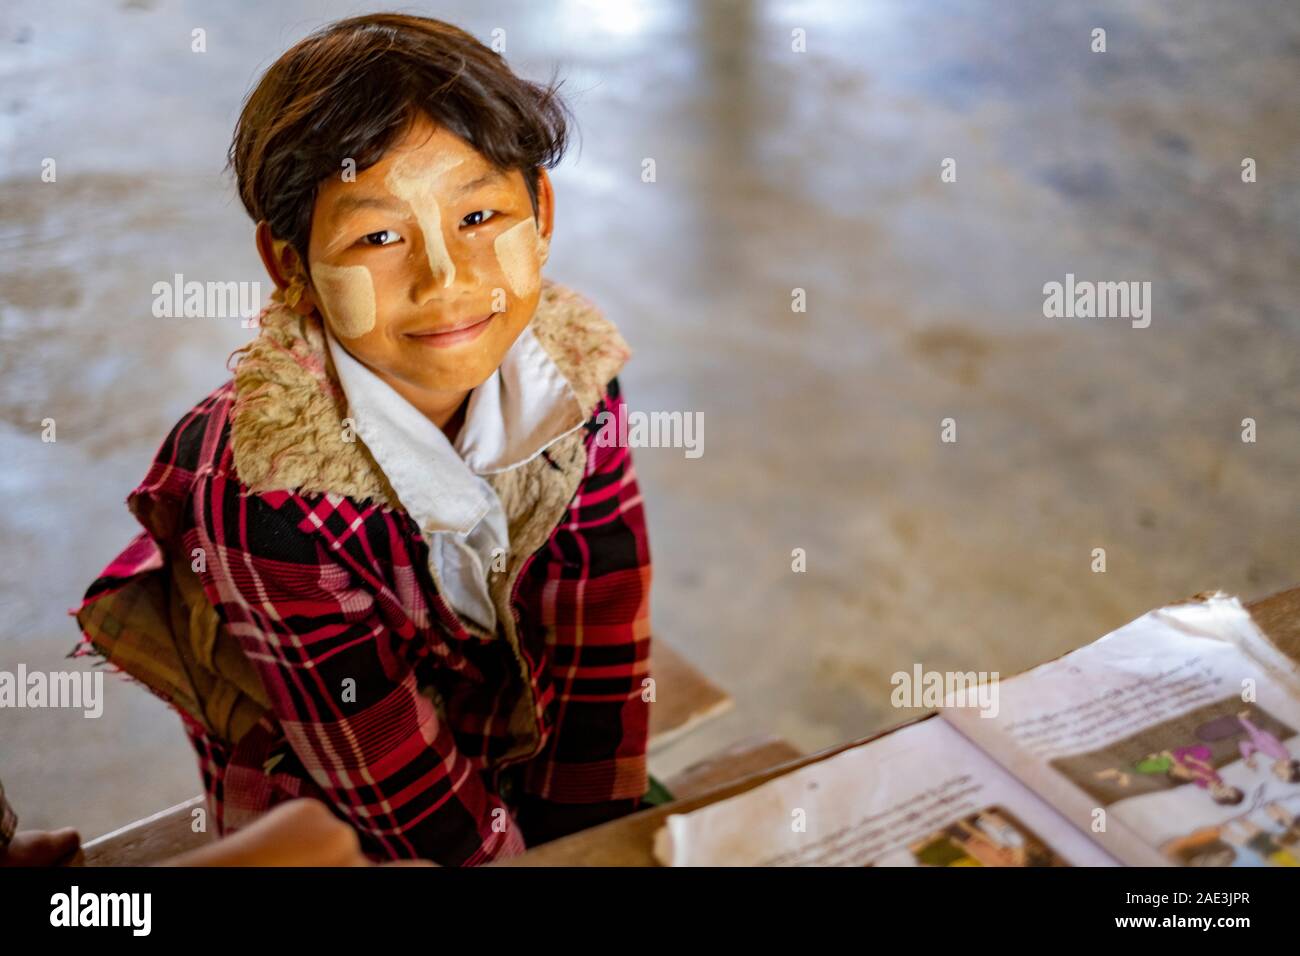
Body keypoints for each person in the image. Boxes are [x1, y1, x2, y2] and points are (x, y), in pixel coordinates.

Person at [71, 13, 653, 865]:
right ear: (290, 266)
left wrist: (592, 837)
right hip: (338, 802)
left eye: (481, 213)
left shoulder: (577, 375)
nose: (445, 282)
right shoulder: (266, 498)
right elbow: (383, 778)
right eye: (378, 236)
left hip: (499, 727)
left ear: (543, 209)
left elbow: (598, 612)